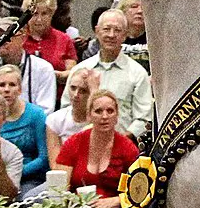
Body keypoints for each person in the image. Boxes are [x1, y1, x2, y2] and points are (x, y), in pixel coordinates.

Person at [64, 9, 153, 138]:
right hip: (80, 148)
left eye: (117, 30)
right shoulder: (80, 70)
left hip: (123, 152)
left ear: (125, 35)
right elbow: (66, 110)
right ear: (97, 31)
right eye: (106, 29)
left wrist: (118, 144)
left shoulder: (138, 74)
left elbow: (144, 119)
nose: (111, 35)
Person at [0, 16, 57, 112]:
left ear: (23, 38)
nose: (2, 41)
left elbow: (45, 111)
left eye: (8, 36)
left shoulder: (43, 69)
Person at [0, 65, 48, 192]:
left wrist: (15, 173)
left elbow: (44, 157)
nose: (7, 90)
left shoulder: (36, 115)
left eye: (12, 85)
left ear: (20, 89)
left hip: (30, 179)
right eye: (2, 85)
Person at [20, 0, 78, 86]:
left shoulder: (64, 39)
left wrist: (50, 75)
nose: (39, 19)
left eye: (44, 14)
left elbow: (72, 74)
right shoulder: (19, 38)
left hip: (57, 97)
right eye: (34, 14)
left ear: (52, 13)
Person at [46, 67, 97, 167]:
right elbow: (55, 166)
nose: (76, 95)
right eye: (73, 88)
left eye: (83, 91)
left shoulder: (101, 119)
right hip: (64, 175)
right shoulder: (54, 119)